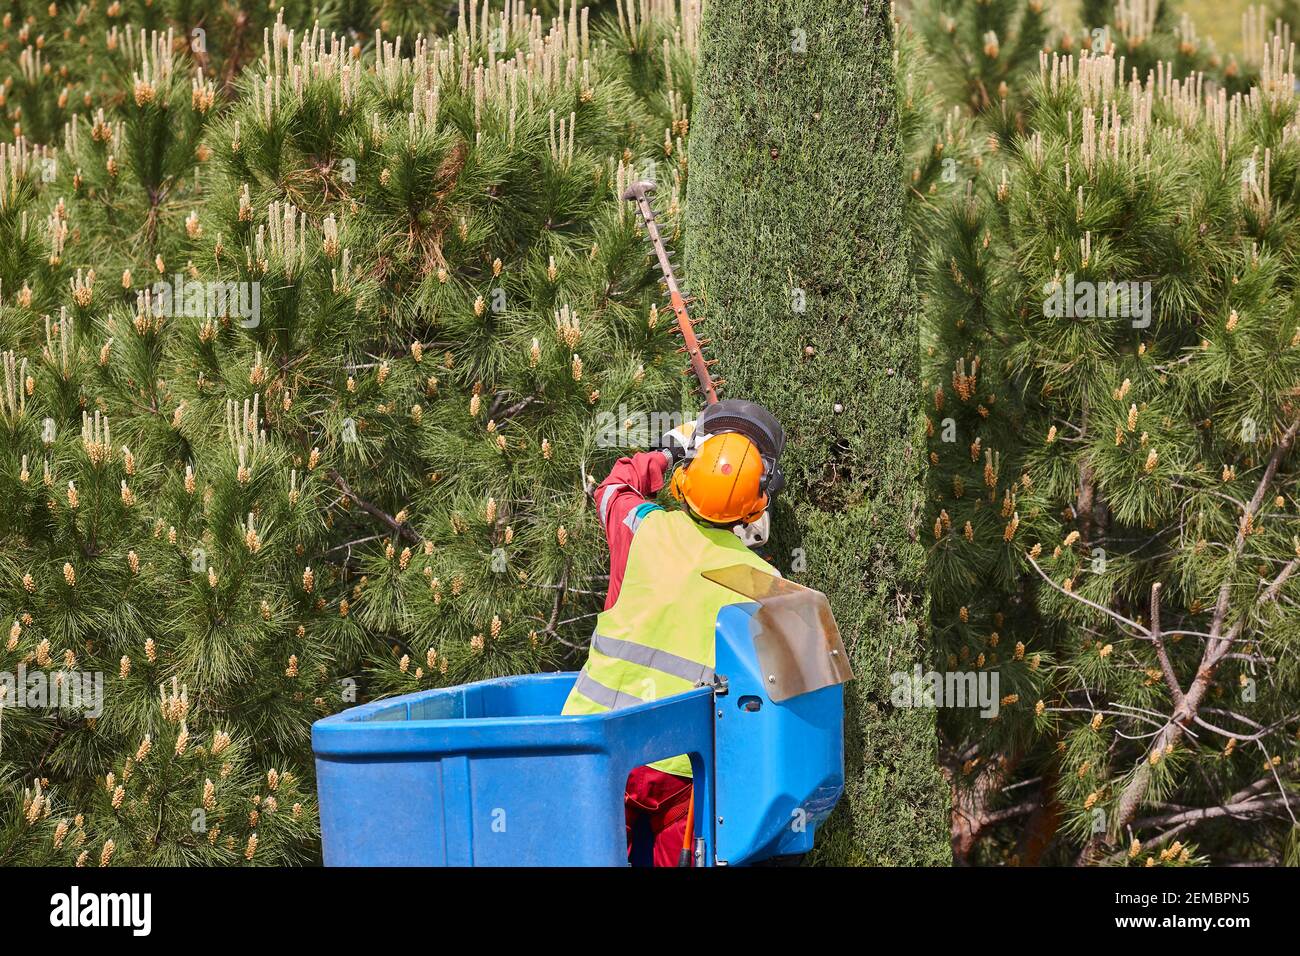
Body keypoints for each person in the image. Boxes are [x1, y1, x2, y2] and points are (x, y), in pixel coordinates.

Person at [561, 408, 785, 866]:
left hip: (597, 748)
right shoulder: (764, 581)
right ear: (757, 507)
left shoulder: (645, 528)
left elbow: (611, 489)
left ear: (685, 479)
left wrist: (665, 453)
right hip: (682, 769)